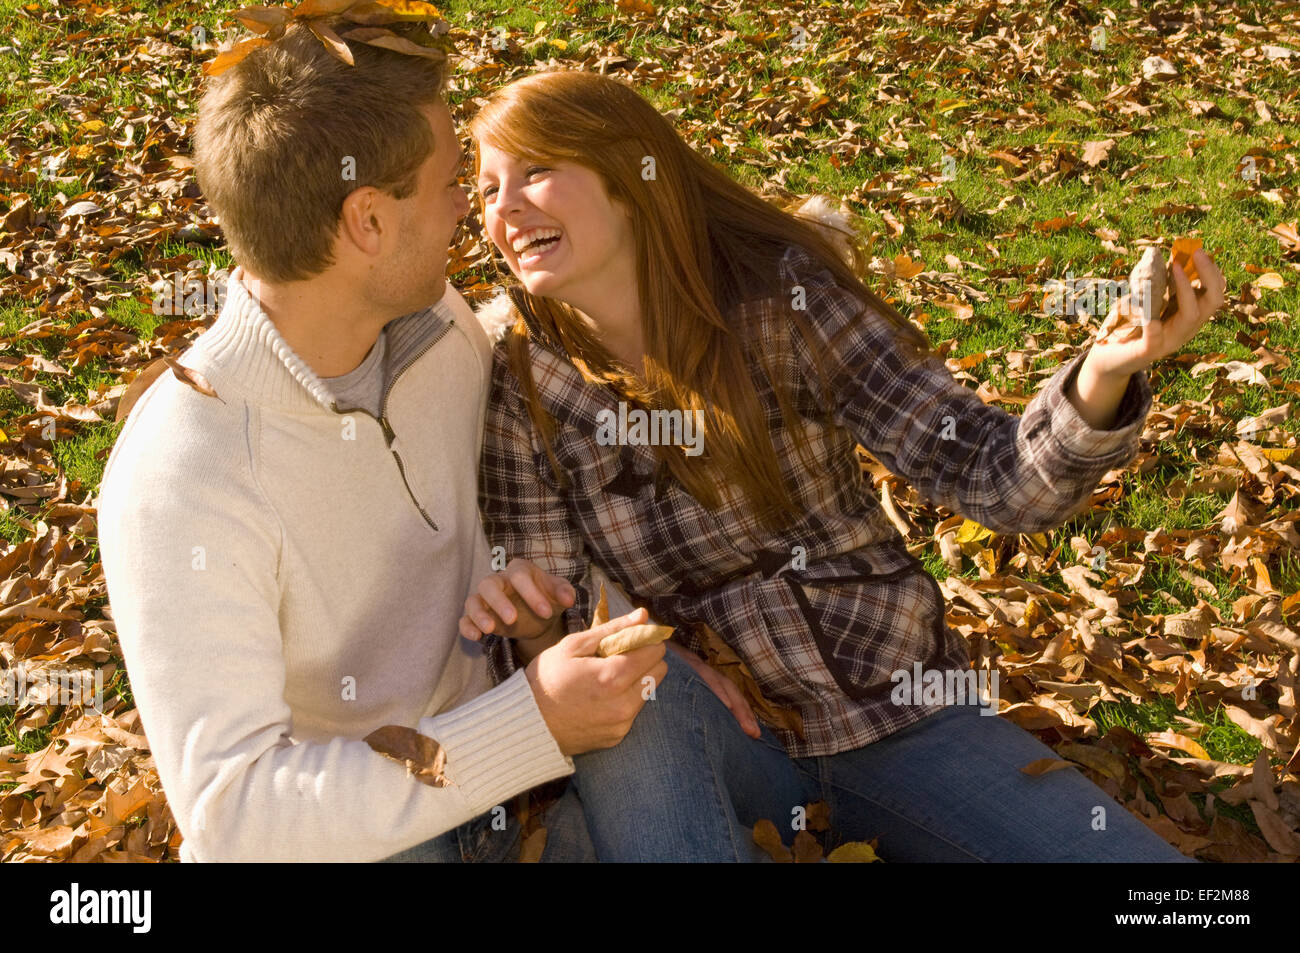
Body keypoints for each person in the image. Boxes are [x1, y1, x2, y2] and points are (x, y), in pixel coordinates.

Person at [459, 69, 1226, 861]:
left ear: (630, 175)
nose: (504, 208)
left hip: (896, 714)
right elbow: (550, 621)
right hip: (718, 745)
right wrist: (548, 623)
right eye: (485, 189)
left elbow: (995, 477)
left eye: (536, 170)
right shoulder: (518, 379)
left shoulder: (783, 299)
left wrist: (1101, 376)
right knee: (629, 681)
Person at [96, 19, 667, 863]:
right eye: (446, 183)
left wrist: (537, 630)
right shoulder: (186, 476)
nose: (466, 207)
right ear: (367, 220)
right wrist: (525, 724)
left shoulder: (439, 332)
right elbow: (235, 816)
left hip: (520, 803)